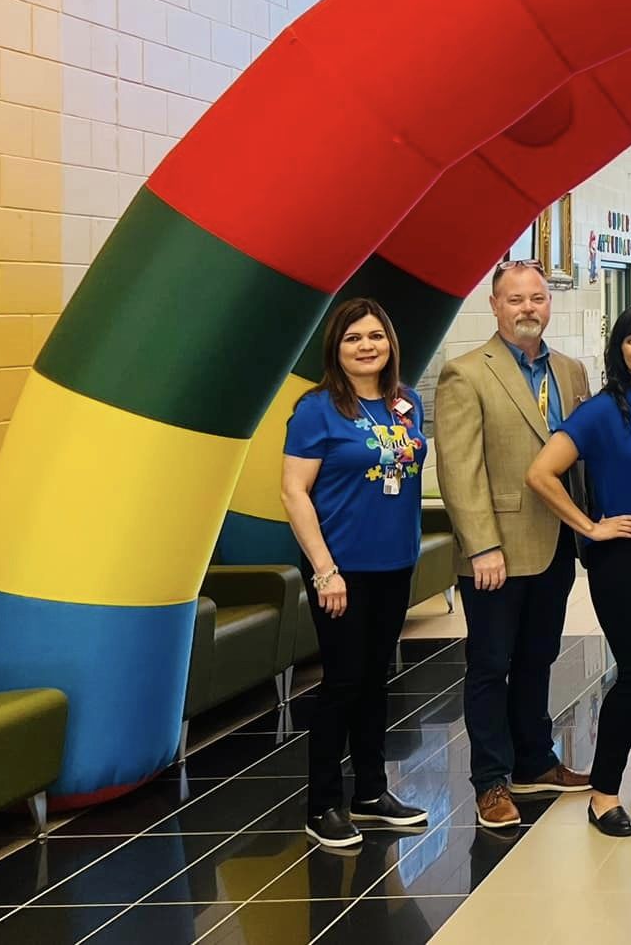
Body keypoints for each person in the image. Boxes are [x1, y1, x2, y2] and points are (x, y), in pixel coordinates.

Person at [525, 305, 631, 838]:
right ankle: (603, 792)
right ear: (618, 349)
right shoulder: (601, 411)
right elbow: (541, 472)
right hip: (623, 559)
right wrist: (591, 526)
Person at [436, 261, 594, 830]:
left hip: (555, 546)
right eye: (516, 299)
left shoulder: (572, 372)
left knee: (539, 657)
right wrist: (481, 546)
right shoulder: (466, 373)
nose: (528, 308)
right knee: (490, 665)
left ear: (549, 303)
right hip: (495, 552)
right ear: (495, 305)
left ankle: (535, 760)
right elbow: (460, 468)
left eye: (538, 298)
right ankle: (491, 782)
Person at [280, 298, 432, 849]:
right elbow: (294, 492)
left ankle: (370, 793)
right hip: (340, 566)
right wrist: (324, 571)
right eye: (353, 338)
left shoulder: (406, 402)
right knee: (342, 681)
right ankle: (321, 802)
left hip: (394, 561)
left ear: (390, 342)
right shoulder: (316, 409)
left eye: (375, 335)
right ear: (335, 349)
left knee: (374, 678)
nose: (366, 345)